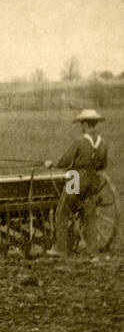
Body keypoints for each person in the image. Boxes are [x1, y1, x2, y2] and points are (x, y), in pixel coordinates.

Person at [45, 109, 108, 256]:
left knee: (62, 212)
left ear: (85, 124)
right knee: (90, 215)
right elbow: (103, 165)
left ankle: (61, 248)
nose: (81, 126)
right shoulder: (103, 143)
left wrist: (52, 164)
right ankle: (93, 251)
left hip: (76, 178)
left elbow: (65, 161)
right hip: (93, 181)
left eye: (82, 123)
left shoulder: (79, 141)